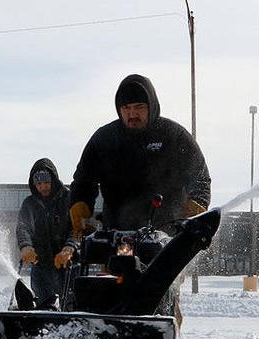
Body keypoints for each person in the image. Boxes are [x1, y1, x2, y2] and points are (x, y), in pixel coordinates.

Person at [54, 74, 211, 317]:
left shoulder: (173, 136)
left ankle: (167, 336)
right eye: (126, 108)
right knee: (111, 290)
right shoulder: (104, 139)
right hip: (115, 232)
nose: (132, 114)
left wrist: (194, 207)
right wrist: (80, 207)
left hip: (163, 237)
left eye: (139, 107)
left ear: (151, 107)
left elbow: (200, 177)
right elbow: (83, 180)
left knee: (162, 296)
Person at [16, 158, 71, 304]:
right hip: (41, 264)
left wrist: (68, 249)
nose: (43, 187)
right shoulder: (29, 204)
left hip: (66, 265)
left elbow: (77, 230)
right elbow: (23, 227)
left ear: (53, 180)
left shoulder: (68, 199)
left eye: (46, 182)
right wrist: (26, 247)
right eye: (39, 184)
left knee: (70, 305)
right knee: (43, 305)